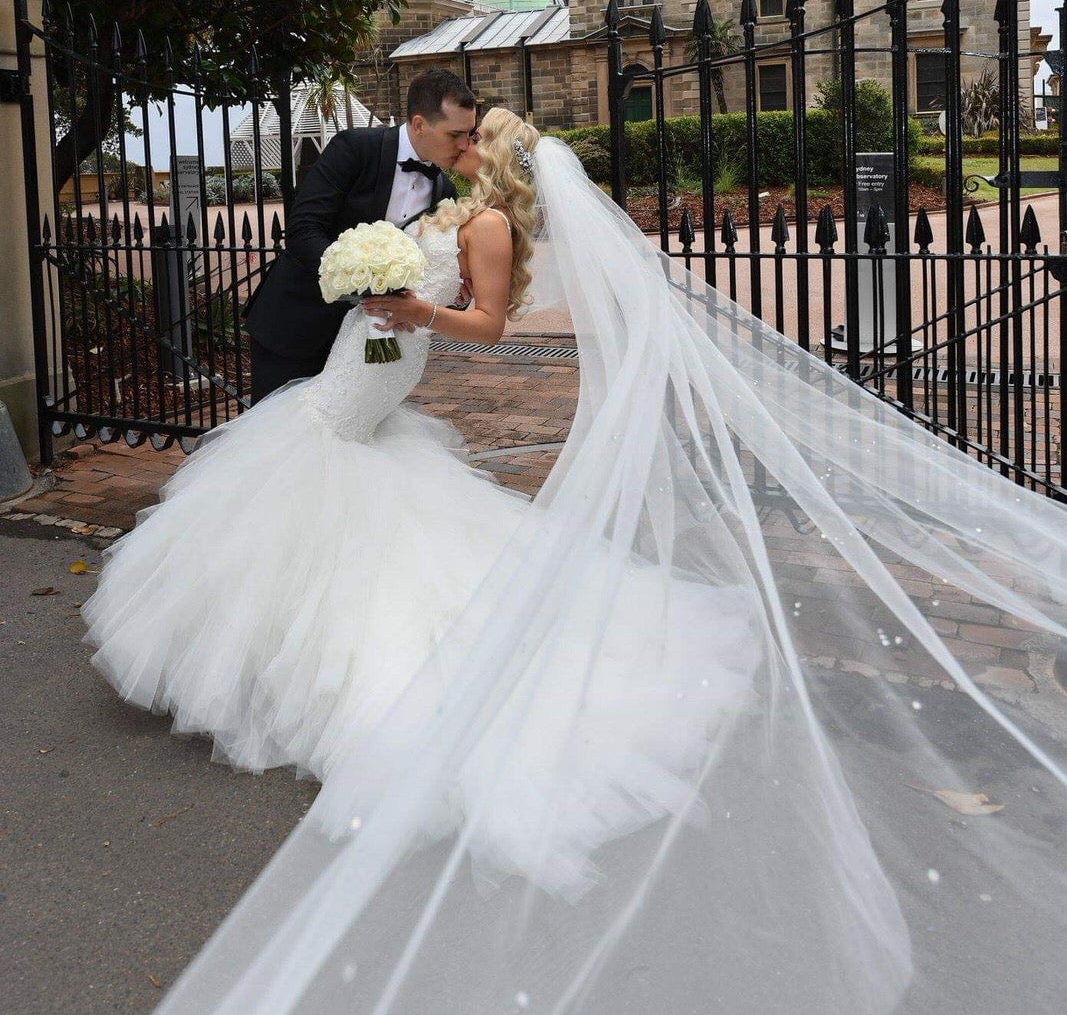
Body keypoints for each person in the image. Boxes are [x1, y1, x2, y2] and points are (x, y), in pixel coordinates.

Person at [84, 111, 1067, 1015]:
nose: (459, 143)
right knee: (335, 478)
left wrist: (411, 310)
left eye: (474, 139)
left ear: (494, 162)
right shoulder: (454, 207)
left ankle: (321, 666)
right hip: (369, 354)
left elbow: (488, 325)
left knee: (322, 469)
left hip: (388, 355)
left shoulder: (489, 231)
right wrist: (372, 283)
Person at [244, 66, 476, 402]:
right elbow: (303, 230)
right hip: (296, 326)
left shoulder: (444, 191)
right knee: (280, 441)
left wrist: (453, 292)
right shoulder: (354, 149)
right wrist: (364, 281)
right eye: (455, 134)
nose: (464, 145)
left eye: (470, 134)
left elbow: (435, 265)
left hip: (363, 346)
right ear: (419, 124)